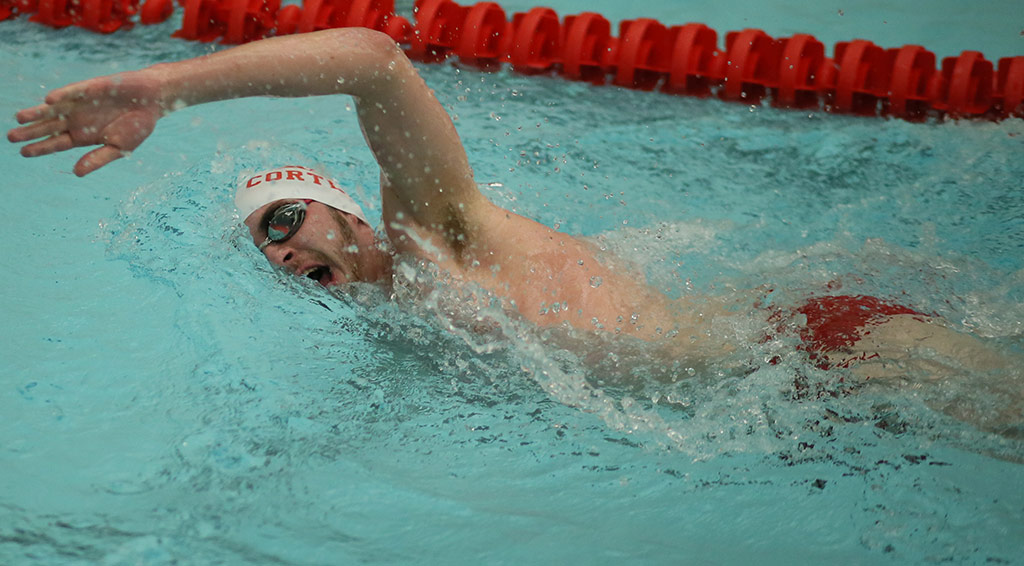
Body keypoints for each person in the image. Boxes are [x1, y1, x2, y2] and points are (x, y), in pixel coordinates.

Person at [6, 28, 1014, 388]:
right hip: (786, 411)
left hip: (819, 346)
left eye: (282, 222)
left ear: (345, 215)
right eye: (263, 252)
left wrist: (174, 87)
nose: (279, 254)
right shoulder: (403, 314)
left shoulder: (431, 228)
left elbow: (372, 60)